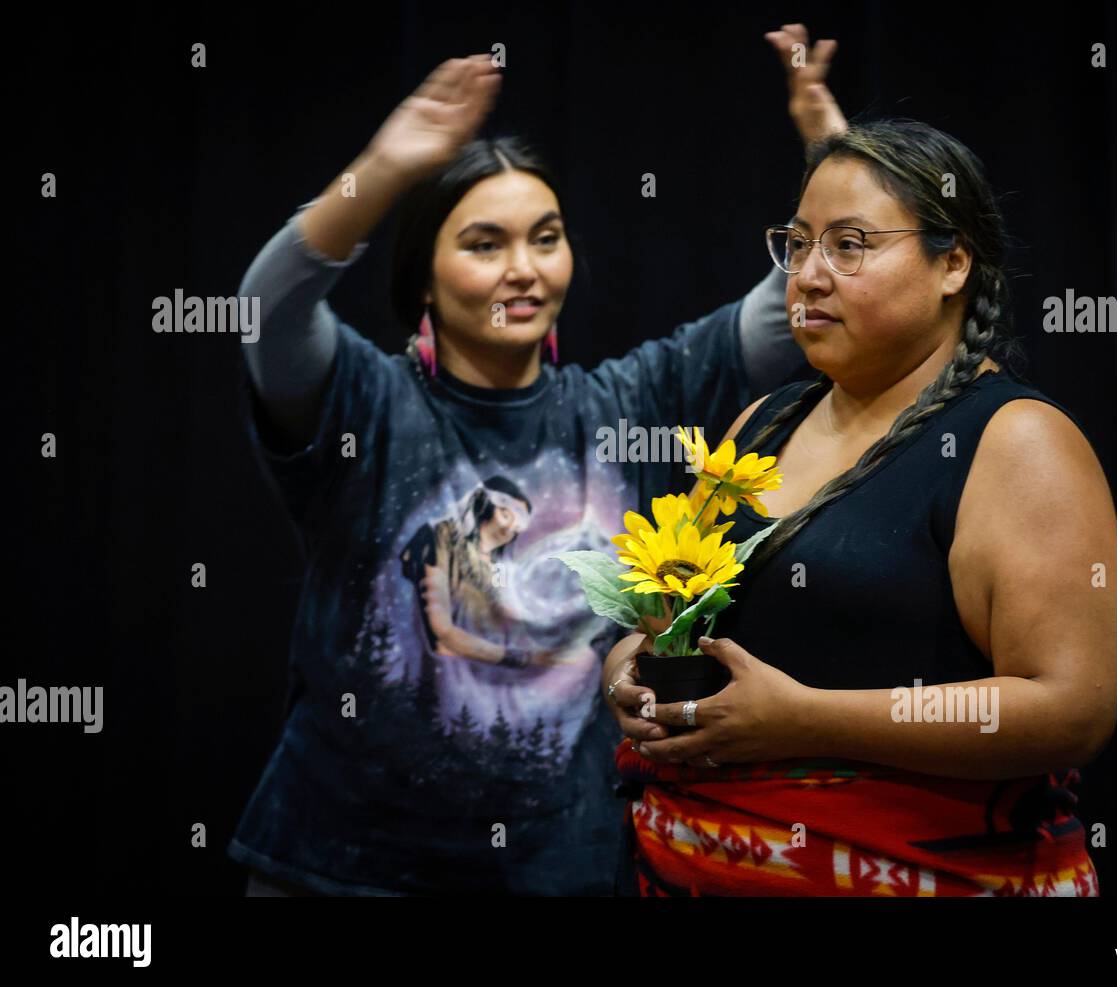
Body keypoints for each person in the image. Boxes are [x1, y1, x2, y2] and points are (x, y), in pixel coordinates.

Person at [231, 28, 844, 895]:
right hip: (338, 869)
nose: (523, 269)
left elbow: (800, 300)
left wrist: (830, 149)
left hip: (563, 870)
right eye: (484, 244)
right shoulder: (365, 402)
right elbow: (266, 309)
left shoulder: (630, 403)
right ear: (427, 278)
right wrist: (385, 163)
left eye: (545, 236)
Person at [603, 117, 1117, 896]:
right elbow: (663, 617)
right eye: (799, 242)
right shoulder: (762, 423)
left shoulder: (1019, 442)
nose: (808, 276)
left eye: (849, 246)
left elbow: (1068, 708)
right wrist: (628, 676)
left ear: (952, 263)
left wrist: (805, 717)